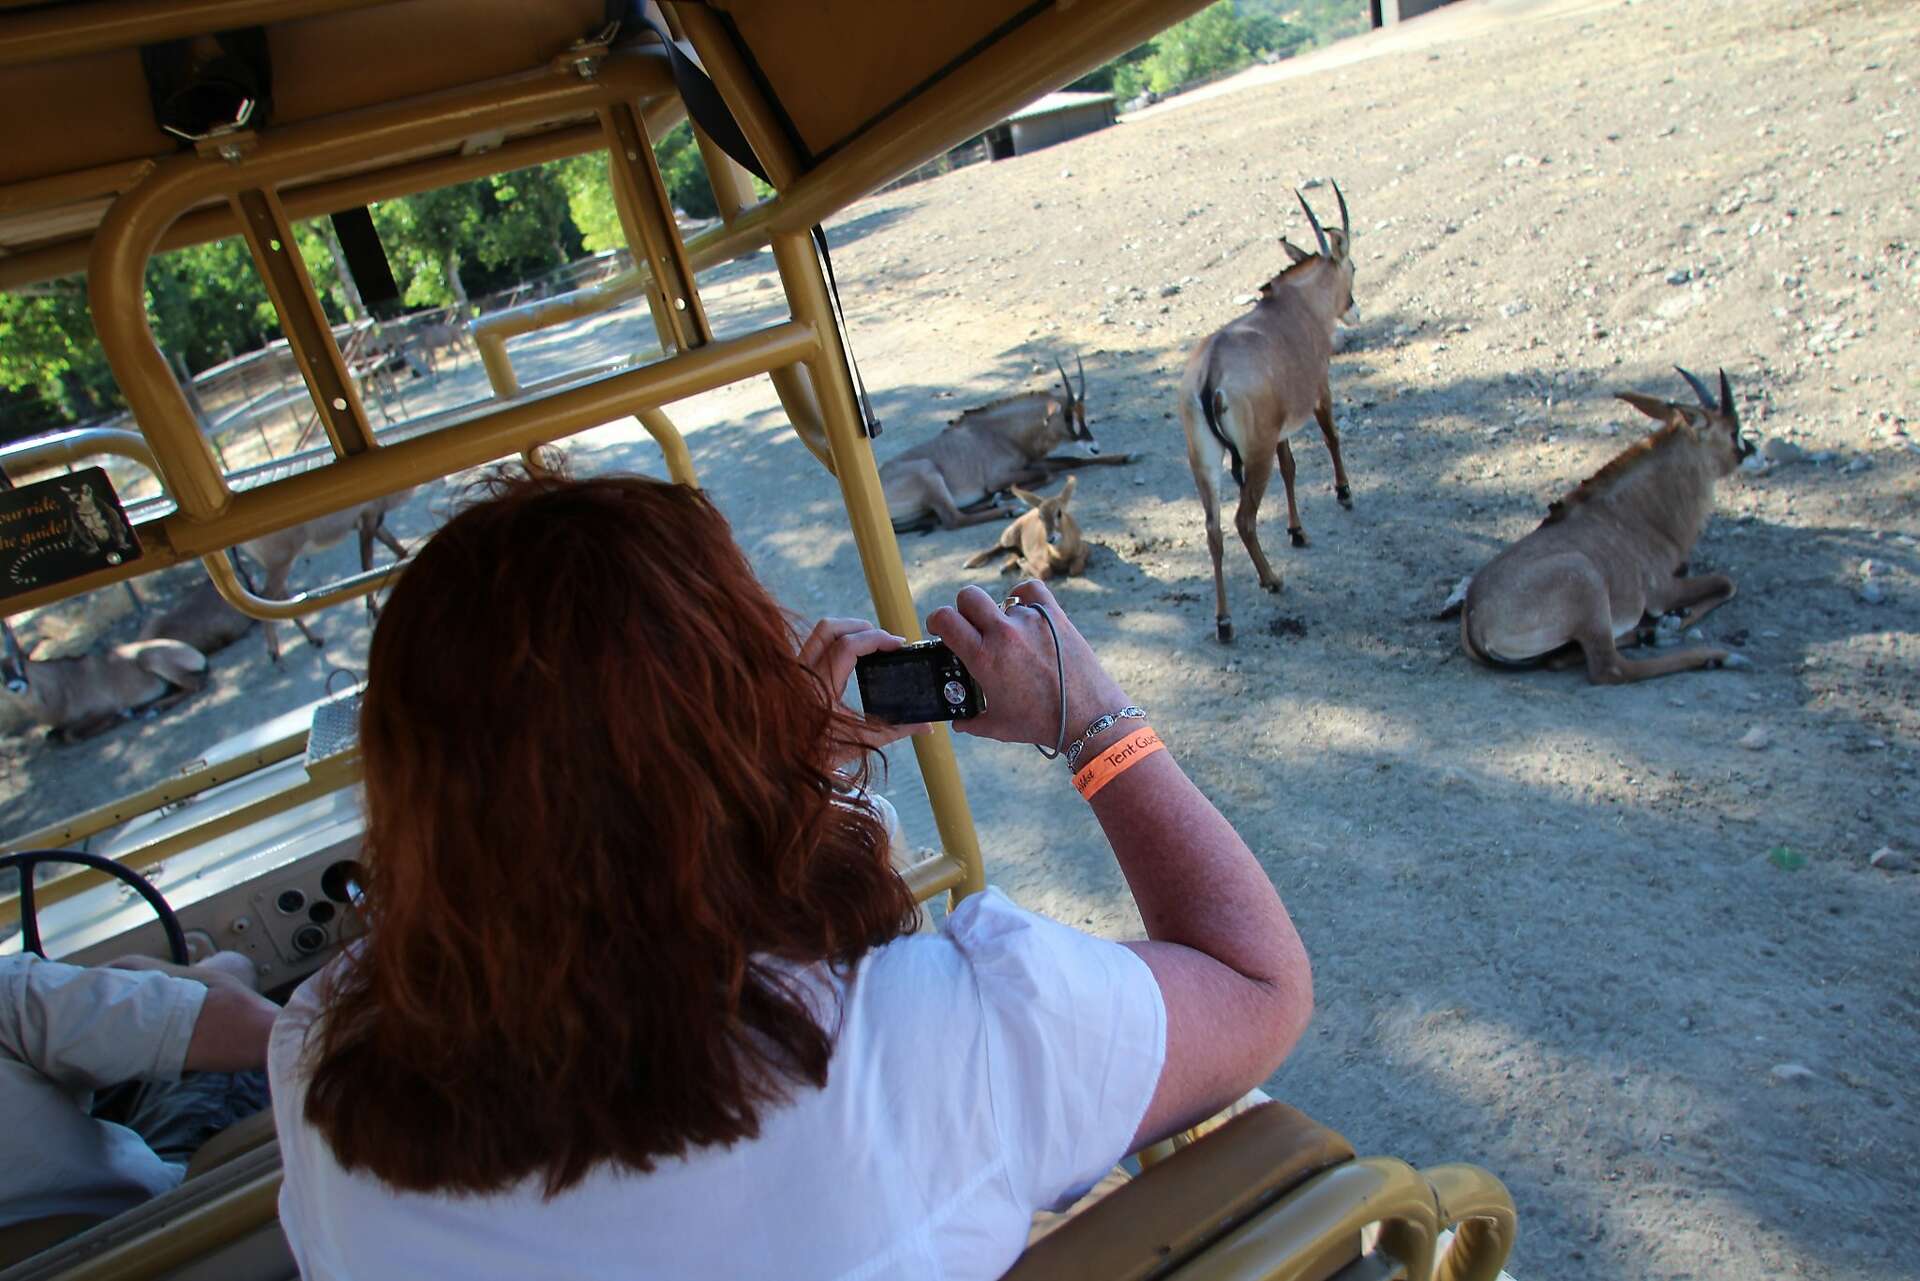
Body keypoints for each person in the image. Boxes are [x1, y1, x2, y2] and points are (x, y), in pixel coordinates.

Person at [269, 469, 1311, 1279]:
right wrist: (1092, 714)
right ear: (724, 737)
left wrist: (779, 788)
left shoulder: (317, 1054)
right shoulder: (933, 1041)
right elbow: (1256, 983)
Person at [0, 949, 278, 1241]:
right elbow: (266, 1030)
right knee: (234, 965)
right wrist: (156, 973)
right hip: (165, 1220)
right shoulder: (12, 991)